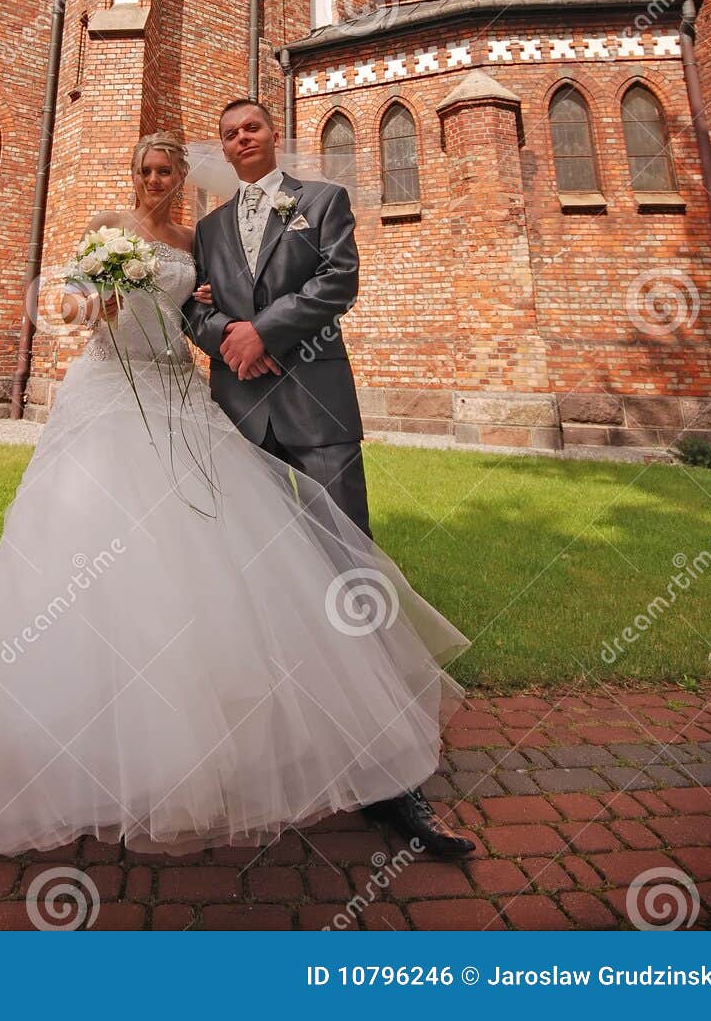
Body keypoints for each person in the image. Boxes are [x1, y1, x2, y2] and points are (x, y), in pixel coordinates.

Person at [0, 130, 473, 865]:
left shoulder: (198, 237)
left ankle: (313, 738)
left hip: (178, 390)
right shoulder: (104, 228)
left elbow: (207, 310)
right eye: (144, 168)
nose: (152, 179)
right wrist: (89, 306)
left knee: (227, 542)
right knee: (91, 550)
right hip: (106, 394)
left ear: (180, 177)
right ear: (132, 172)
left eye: (164, 170)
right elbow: (67, 304)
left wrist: (212, 315)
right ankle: (85, 745)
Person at [182, 100, 474, 860]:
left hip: (317, 409)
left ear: (269, 136)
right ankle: (280, 744)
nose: (239, 139)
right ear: (221, 148)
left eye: (249, 128)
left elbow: (339, 280)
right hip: (240, 415)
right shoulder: (208, 230)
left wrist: (263, 332)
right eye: (227, 134)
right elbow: (191, 308)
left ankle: (391, 775)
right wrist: (230, 342)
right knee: (252, 582)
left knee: (349, 573)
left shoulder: (319, 202)